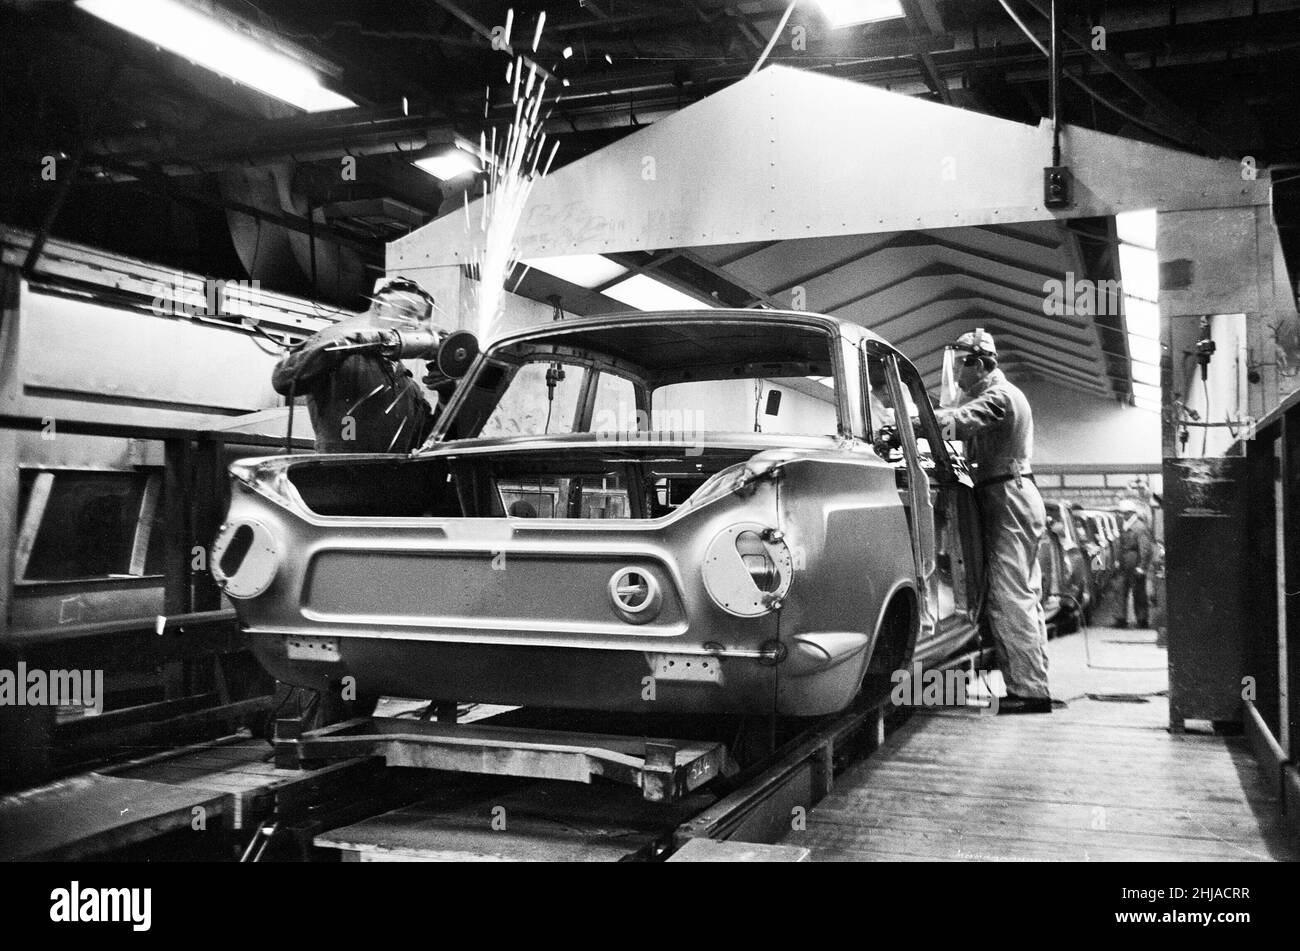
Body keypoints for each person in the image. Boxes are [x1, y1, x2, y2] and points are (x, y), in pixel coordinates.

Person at [931, 329, 1053, 715]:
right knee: (1021, 593)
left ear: (979, 364)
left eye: (960, 366)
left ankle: (1030, 692)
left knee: (1008, 594)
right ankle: (1032, 682)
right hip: (1007, 494)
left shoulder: (999, 397)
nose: (957, 376)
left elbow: (960, 424)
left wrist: (913, 421)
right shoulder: (994, 395)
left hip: (1008, 496)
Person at [272, 277, 440, 454]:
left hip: (391, 478)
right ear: (378, 307)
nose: (414, 323)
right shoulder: (338, 351)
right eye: (407, 312)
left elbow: (425, 439)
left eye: (419, 318)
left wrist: (446, 394)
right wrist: (358, 341)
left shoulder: (407, 384)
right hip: (340, 476)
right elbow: (283, 379)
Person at [1115, 499, 1154, 628]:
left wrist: (1142, 567)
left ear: (1132, 513)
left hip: (1135, 564)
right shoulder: (1126, 526)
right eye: (1123, 513)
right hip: (1124, 564)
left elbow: (1145, 549)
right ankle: (1120, 619)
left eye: (1125, 513)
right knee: (1121, 590)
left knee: (1139, 593)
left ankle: (1142, 620)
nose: (1123, 515)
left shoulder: (1139, 527)